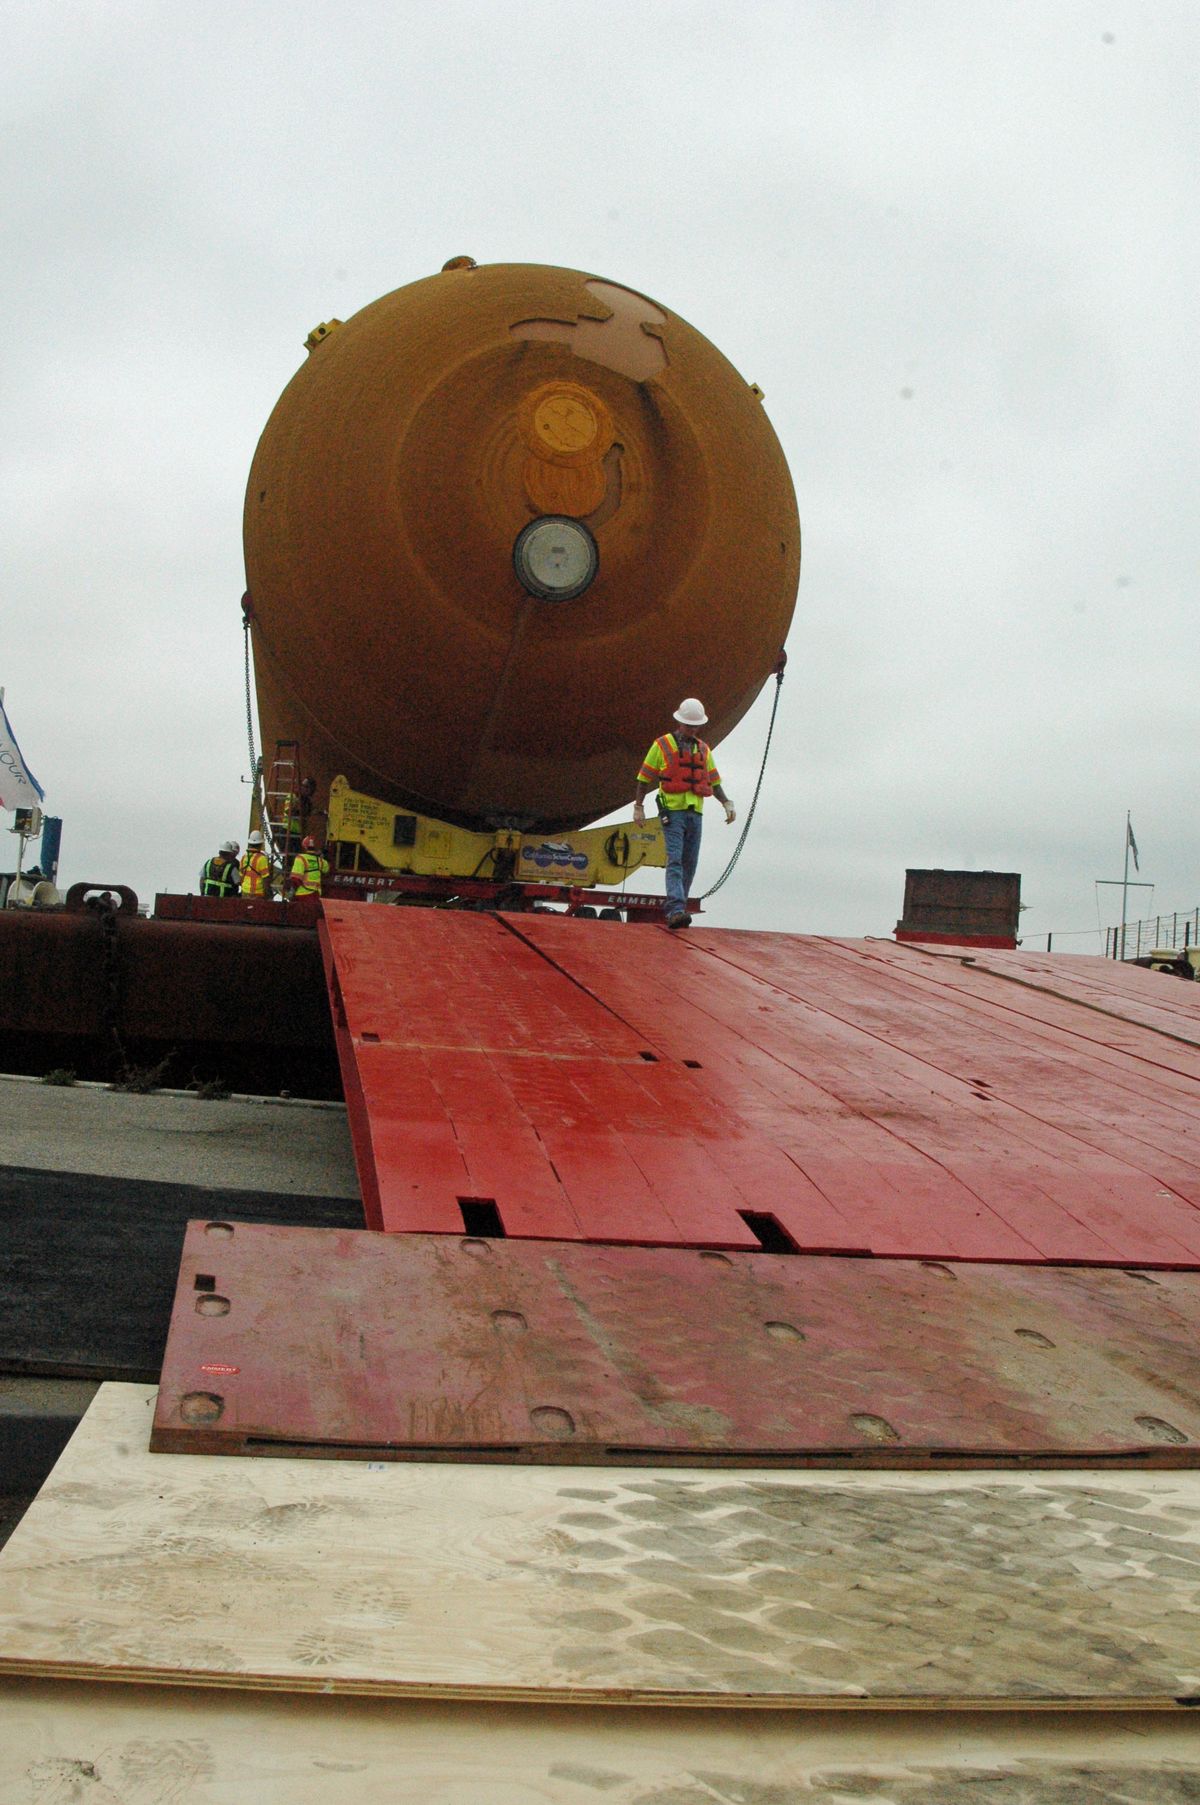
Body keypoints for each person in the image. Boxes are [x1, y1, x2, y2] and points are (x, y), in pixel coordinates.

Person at [633, 698, 735, 929]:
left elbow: (714, 781)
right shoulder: (661, 745)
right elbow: (643, 778)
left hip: (695, 814)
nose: (692, 729)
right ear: (679, 722)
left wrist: (726, 802)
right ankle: (676, 909)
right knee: (675, 860)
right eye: (688, 725)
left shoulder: (703, 749)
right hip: (673, 812)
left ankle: (678, 909)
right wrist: (639, 806)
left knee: (690, 862)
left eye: (695, 725)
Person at [240, 830, 273, 898]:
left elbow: (241, 876)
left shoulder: (244, 857)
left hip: (244, 892)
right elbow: (265, 879)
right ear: (261, 844)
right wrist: (269, 895)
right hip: (257, 893)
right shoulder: (261, 858)